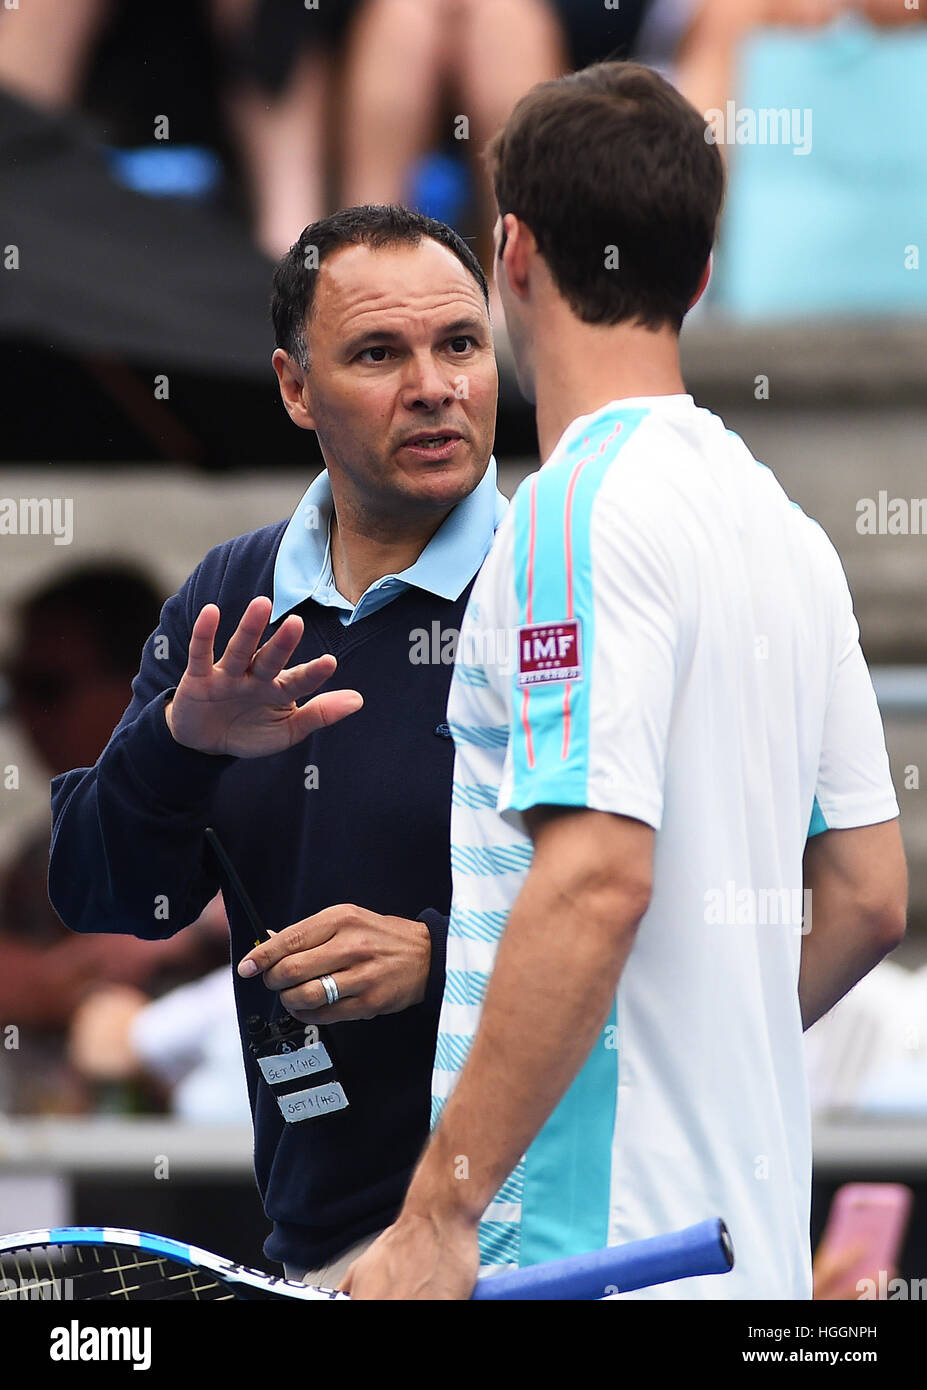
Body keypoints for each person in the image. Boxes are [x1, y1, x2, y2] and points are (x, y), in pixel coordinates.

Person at [340, 61, 908, 1301]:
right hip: (738, 1258)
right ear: (702, 273)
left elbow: (599, 876)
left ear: (513, 253)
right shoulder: (786, 531)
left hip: (585, 1261)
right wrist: (699, 1052)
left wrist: (443, 1208)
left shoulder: (568, 515)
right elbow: (868, 897)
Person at [49, 204, 503, 1285]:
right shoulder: (231, 594)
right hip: (315, 1249)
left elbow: (654, 903)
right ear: (296, 388)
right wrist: (177, 747)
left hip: (522, 1234)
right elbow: (111, 896)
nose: (434, 384)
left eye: (461, 344)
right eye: (380, 353)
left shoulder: (552, 582)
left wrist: (443, 957)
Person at [0, 564, 223, 1115]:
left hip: (228, 1170)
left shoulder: (237, 798)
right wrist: (54, 982)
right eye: (15, 689)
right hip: (65, 1164)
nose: (25, 717)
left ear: (137, 680)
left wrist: (185, 929)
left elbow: (325, 885)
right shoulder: (45, 848)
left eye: (45, 688)